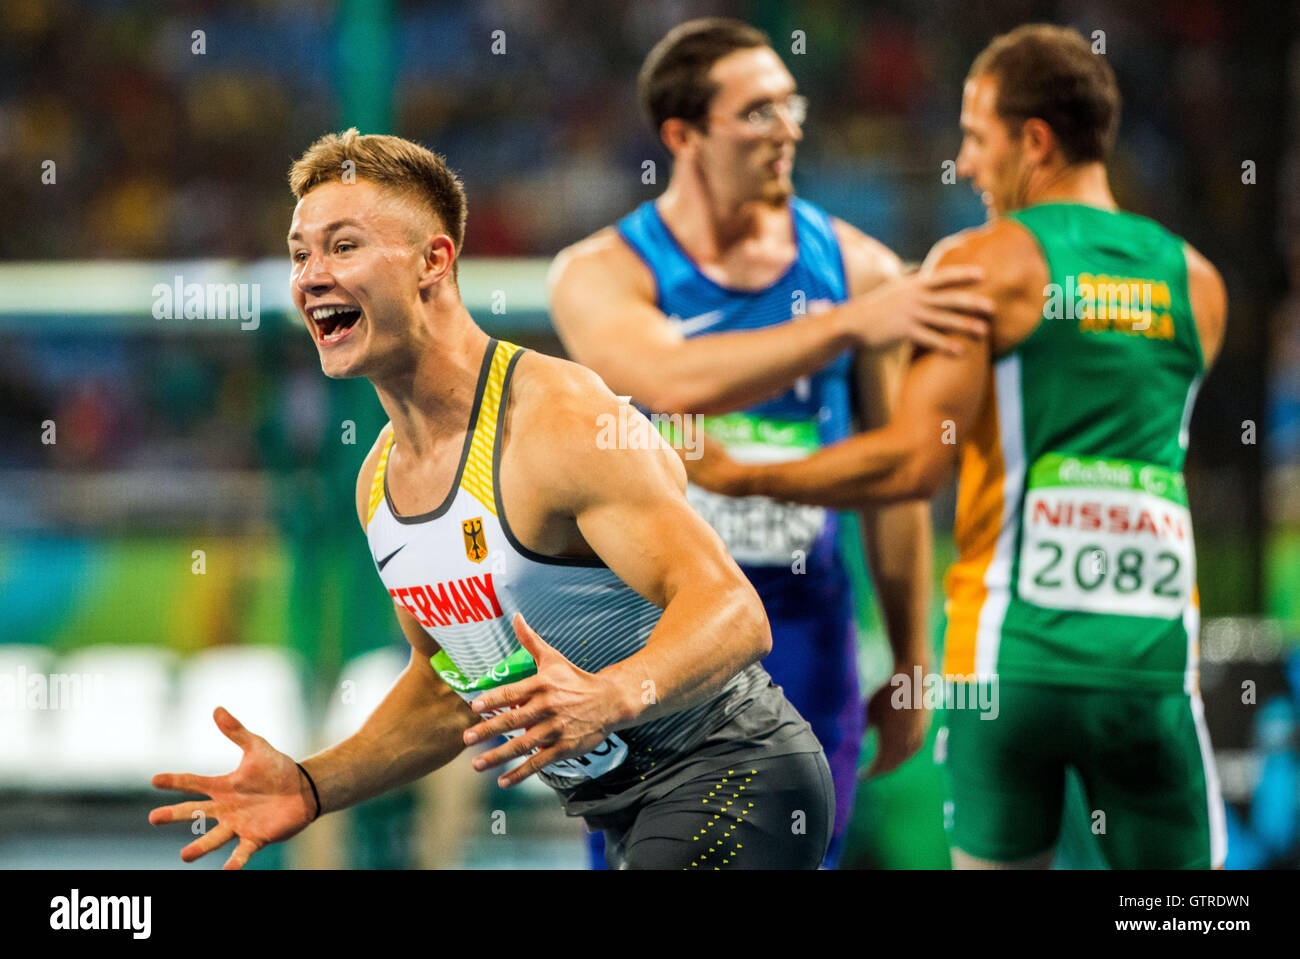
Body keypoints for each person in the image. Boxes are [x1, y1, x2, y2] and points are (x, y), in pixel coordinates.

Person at [149, 129, 834, 870]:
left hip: (736, 772)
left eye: (343, 247)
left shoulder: (561, 420)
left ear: (433, 262)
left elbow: (733, 609)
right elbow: (452, 689)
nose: (311, 275)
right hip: (624, 809)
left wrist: (609, 694)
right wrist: (314, 784)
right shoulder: (378, 485)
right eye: (299, 253)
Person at [686, 24, 1228, 869]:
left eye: (976, 139)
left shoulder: (979, 267)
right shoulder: (1199, 282)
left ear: (1034, 142)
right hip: (1151, 668)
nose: (966, 166)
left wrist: (744, 477)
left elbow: (914, 460)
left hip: (1004, 667)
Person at [549, 16, 992, 868]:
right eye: (756, 112)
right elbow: (664, 375)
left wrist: (912, 662)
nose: (787, 126)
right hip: (651, 640)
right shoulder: (603, 272)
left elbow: (895, 481)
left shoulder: (856, 267)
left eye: (791, 105)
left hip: (806, 635)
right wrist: (849, 326)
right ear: (683, 134)